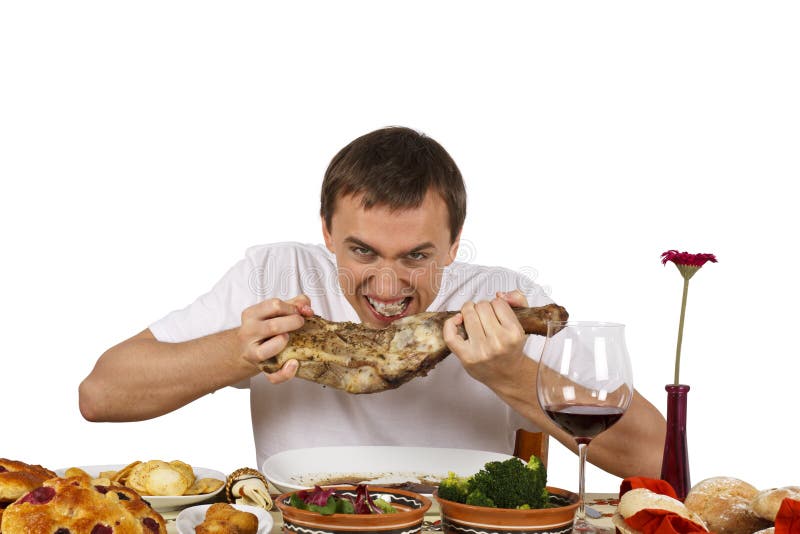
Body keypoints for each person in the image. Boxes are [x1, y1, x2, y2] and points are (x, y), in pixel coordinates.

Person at [79, 126, 666, 478]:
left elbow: (662, 459)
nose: (387, 289)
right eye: (362, 251)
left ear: (455, 244)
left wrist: (512, 374)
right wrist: (235, 353)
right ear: (327, 234)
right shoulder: (274, 274)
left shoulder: (502, 299)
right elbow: (100, 395)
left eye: (416, 256)